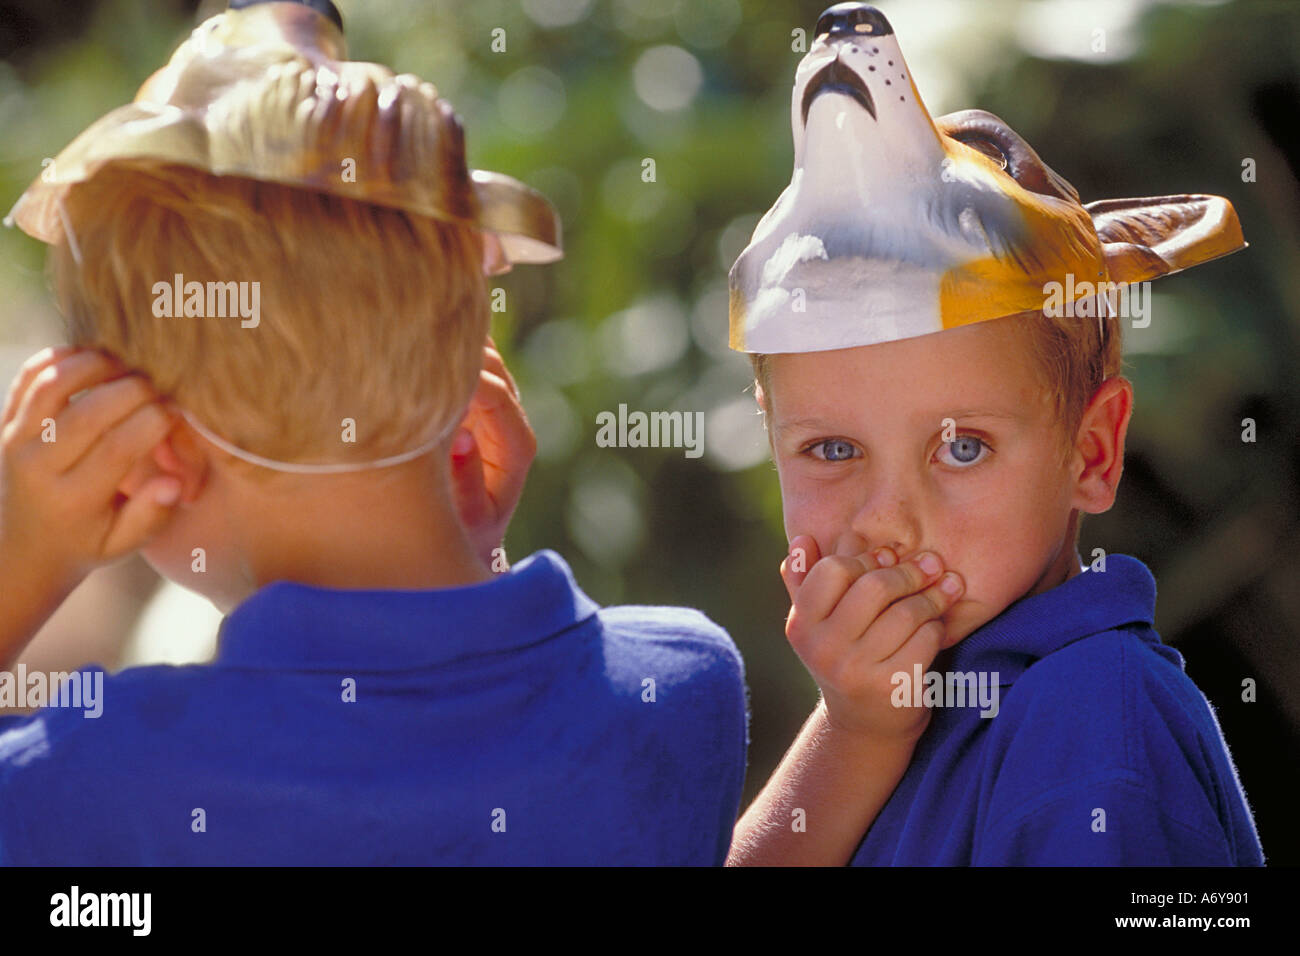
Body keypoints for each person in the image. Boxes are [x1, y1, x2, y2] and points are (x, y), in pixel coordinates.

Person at [0, 0, 746, 865]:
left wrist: (17, 572)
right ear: (472, 375)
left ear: (155, 452)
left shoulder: (93, 783)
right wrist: (458, 571)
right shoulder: (683, 693)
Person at [725, 2, 1263, 866]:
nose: (886, 522)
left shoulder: (1092, 718)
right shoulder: (889, 719)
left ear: (1090, 452)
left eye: (962, 446)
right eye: (832, 450)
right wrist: (856, 733)